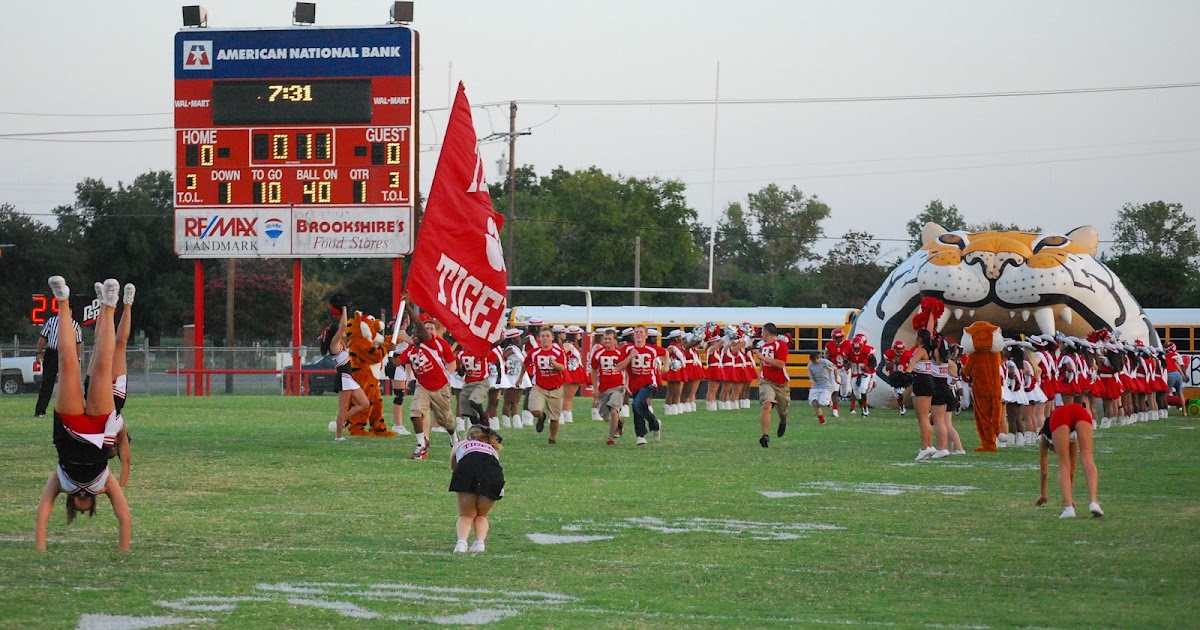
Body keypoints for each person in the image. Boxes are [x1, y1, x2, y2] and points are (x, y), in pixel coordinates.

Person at [35, 277, 132, 552]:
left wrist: (41, 550)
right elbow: (124, 518)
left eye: (76, 495)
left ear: (68, 499)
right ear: (93, 501)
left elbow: (43, 510)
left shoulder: (60, 482)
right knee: (102, 368)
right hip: (99, 430)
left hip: (67, 428)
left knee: (68, 365)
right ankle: (110, 306)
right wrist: (122, 552)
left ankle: (62, 300)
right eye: (85, 496)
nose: (81, 491)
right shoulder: (105, 484)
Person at [397, 304, 459, 459]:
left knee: (446, 419)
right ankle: (421, 444)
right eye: (427, 328)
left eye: (432, 328)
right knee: (416, 412)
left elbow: (452, 363)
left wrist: (410, 308)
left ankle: (454, 437)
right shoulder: (413, 347)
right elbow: (401, 357)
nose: (429, 331)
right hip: (423, 385)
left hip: (440, 386)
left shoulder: (434, 343)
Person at [1036, 403, 1103, 519]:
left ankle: (1068, 508)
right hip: (1079, 411)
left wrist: (1043, 493)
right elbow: (1072, 470)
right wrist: (1069, 495)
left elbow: (1044, 472)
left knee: (1063, 463)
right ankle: (1094, 502)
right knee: (1088, 458)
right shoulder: (1071, 440)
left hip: (1060, 416)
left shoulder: (1044, 439)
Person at [449, 424, 504, 553]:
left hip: (468, 470)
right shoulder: (492, 449)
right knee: (481, 515)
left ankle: (461, 544)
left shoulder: (462, 443)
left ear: (469, 436)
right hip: (493, 474)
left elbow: (454, 463)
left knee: (466, 515)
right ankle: (480, 543)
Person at [324, 306, 371, 442]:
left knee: (364, 403)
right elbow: (343, 324)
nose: (344, 331)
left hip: (349, 377)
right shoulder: (334, 344)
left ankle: (341, 420)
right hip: (343, 377)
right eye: (341, 331)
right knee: (342, 408)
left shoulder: (342, 343)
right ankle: (339, 436)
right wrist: (344, 309)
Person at [616, 325, 665, 445]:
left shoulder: (652, 349)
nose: (638, 334)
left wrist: (666, 366)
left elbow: (665, 353)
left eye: (641, 332)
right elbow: (619, 367)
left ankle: (640, 435)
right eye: (636, 332)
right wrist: (630, 356)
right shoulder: (627, 349)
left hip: (650, 383)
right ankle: (655, 424)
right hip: (634, 384)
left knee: (636, 403)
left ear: (646, 335)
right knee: (642, 407)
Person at [33, 306, 84, 418]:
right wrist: (38, 352)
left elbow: (78, 343)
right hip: (52, 353)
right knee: (47, 382)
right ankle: (40, 410)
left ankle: (68, 410)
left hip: (67, 354)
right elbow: (43, 338)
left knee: (68, 383)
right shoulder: (52, 321)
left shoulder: (74, 325)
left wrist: (77, 358)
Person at [525, 327, 568, 444]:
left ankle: (552, 439)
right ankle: (541, 417)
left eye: (547, 336)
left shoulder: (559, 352)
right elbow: (525, 363)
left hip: (556, 388)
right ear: (539, 338)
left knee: (554, 417)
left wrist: (554, 363)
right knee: (534, 409)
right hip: (539, 387)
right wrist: (520, 379)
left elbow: (563, 368)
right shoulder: (534, 352)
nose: (545, 338)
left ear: (552, 338)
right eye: (542, 336)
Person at [756, 323, 790, 447]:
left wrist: (763, 358)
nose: (761, 335)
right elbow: (762, 363)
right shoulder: (763, 346)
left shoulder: (781, 345)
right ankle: (765, 435)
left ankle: (783, 420)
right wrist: (760, 373)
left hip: (781, 383)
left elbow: (781, 364)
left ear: (767, 333)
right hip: (766, 381)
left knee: (783, 410)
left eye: (762, 332)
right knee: (767, 403)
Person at [592, 329, 627, 445]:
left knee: (613, 411)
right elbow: (593, 370)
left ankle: (611, 438)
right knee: (606, 416)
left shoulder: (620, 353)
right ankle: (619, 423)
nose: (607, 341)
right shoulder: (598, 353)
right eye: (605, 339)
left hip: (617, 387)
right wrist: (595, 388)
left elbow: (627, 370)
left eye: (609, 339)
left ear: (615, 340)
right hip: (603, 389)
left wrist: (626, 384)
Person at [908, 328, 938, 461]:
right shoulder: (930, 351)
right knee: (924, 417)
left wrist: (904, 375)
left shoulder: (920, 350)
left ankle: (925, 447)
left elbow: (912, 363)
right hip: (926, 381)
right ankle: (929, 446)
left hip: (921, 382)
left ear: (919, 338)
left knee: (922, 417)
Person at [806, 352, 838, 426]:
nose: (815, 362)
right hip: (816, 386)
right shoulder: (810, 366)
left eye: (816, 360)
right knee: (814, 403)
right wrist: (811, 381)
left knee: (822, 402)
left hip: (826, 385)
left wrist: (836, 379)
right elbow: (811, 377)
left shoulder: (825, 362)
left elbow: (835, 367)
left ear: (818, 358)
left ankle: (829, 402)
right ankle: (822, 421)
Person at [880, 340, 913, 415]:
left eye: (901, 349)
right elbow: (887, 368)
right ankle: (901, 407)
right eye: (897, 349)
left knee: (899, 391)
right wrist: (894, 361)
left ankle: (902, 409)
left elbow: (911, 365)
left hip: (903, 376)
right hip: (894, 376)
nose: (899, 351)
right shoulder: (889, 354)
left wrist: (908, 373)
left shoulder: (908, 354)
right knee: (897, 394)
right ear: (894, 349)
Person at [1164, 342, 1186, 413]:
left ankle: (1164, 410)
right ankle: (1184, 411)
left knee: (1165, 394)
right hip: (1177, 374)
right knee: (1180, 393)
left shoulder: (1165, 356)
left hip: (1170, 374)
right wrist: (1183, 375)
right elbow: (1178, 365)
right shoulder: (1176, 355)